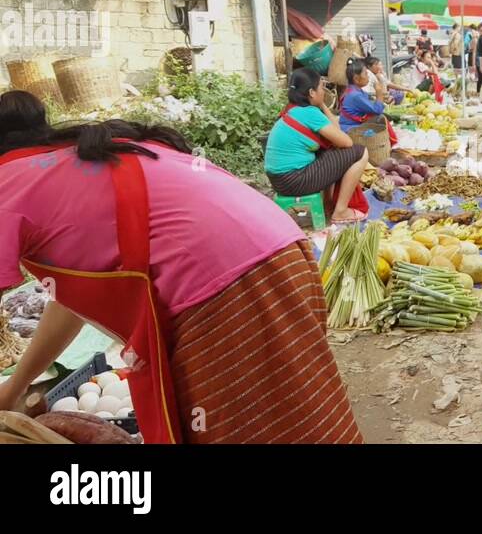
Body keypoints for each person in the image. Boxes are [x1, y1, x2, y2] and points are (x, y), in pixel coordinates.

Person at [0, 90, 363, 444]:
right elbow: (67, 301)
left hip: (229, 287)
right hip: (280, 253)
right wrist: (15, 388)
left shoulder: (8, 184)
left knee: (247, 428)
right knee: (304, 414)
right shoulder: (62, 160)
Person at [265, 67, 370, 224]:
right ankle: (340, 211)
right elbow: (346, 141)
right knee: (360, 152)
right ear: (311, 92)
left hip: (279, 180)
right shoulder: (309, 113)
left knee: (329, 152)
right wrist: (322, 106)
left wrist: (321, 105)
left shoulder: (293, 110)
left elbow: (336, 131)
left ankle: (328, 205)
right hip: (295, 180)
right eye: (321, 87)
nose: (324, 91)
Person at [340, 57, 398, 148]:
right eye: (366, 74)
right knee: (380, 120)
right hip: (351, 129)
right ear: (356, 79)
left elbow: (366, 102)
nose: (368, 76)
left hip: (351, 125)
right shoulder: (356, 95)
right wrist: (379, 92)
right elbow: (377, 110)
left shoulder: (352, 90)